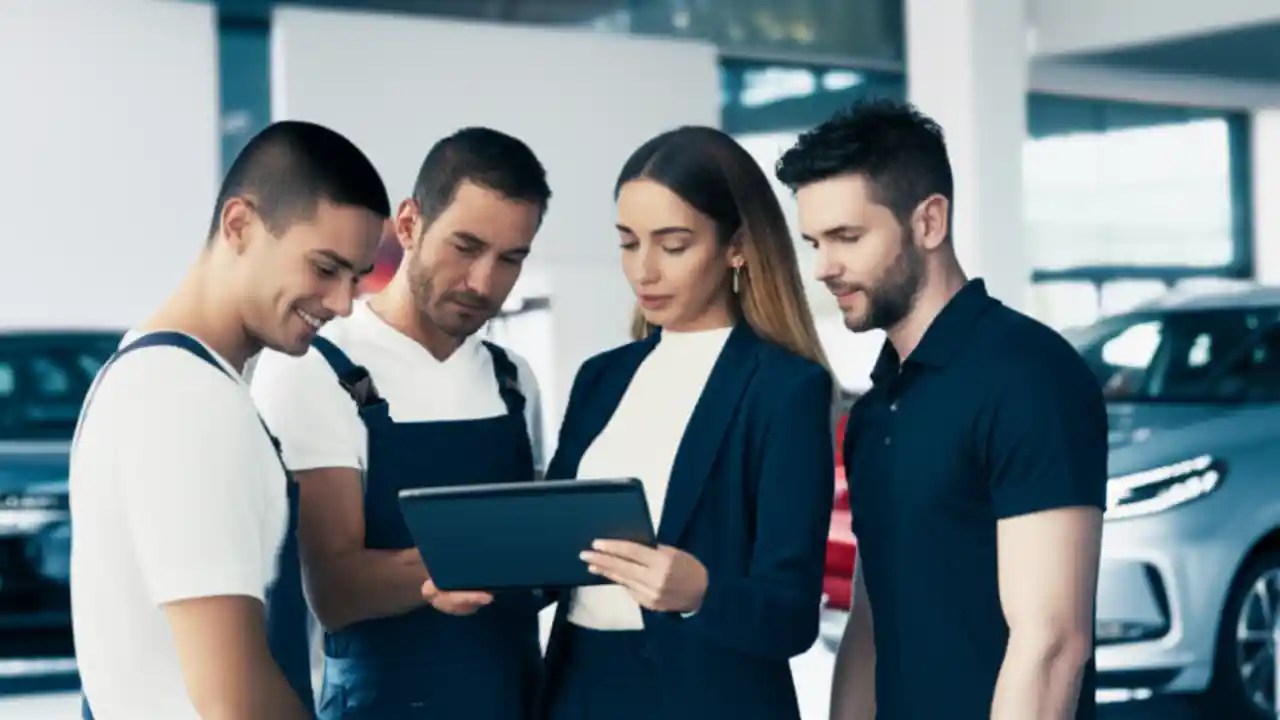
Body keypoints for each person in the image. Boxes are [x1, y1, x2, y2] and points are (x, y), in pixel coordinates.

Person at [776, 99, 1107, 720]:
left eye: (847, 237)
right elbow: (870, 627)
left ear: (929, 222)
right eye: (814, 243)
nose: (823, 268)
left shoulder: (1029, 376)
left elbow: (1053, 644)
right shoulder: (875, 411)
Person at [69, 120, 390, 719]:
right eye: (325, 268)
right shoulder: (186, 399)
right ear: (239, 224)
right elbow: (233, 701)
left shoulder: (147, 372)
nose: (344, 304)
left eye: (355, 278)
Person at [249, 127, 551, 720]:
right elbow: (333, 591)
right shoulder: (316, 368)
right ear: (409, 224)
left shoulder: (513, 380)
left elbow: (538, 558)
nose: (483, 282)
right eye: (465, 247)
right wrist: (455, 563)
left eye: (510, 259)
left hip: (518, 701)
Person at [540, 126, 836, 720]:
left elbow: (793, 615)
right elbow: (551, 549)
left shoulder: (786, 389)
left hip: (708, 699)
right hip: (581, 690)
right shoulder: (601, 378)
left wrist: (701, 593)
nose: (643, 271)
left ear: (738, 246)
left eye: (672, 245)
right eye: (628, 243)